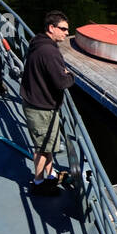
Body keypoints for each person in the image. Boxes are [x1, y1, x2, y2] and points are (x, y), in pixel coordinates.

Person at [20, 11, 74, 195]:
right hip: (41, 108)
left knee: (48, 144)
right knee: (43, 148)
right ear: (52, 28)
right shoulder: (50, 52)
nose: (67, 33)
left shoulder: (38, 42)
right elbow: (62, 83)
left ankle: (50, 174)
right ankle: (38, 182)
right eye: (63, 29)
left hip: (36, 102)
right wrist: (70, 76)